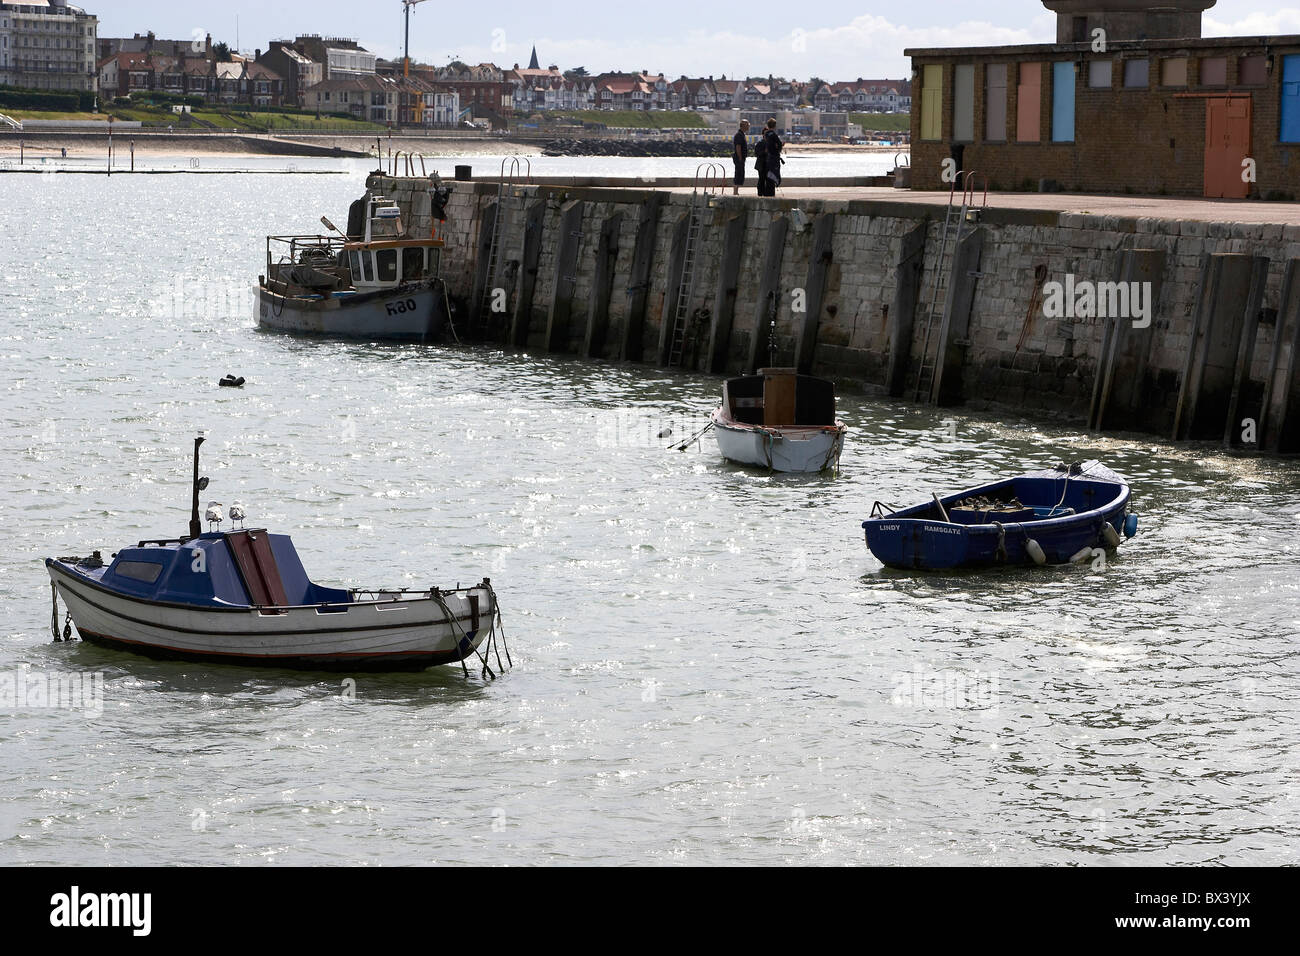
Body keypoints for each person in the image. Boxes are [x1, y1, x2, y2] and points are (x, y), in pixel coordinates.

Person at [758, 118, 783, 197]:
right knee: (773, 177)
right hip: (774, 158)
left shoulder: (766, 134)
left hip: (768, 158)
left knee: (768, 177)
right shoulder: (773, 134)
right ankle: (771, 194)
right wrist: (778, 148)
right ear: (775, 126)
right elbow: (779, 144)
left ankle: (766, 193)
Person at [732, 119, 749, 195]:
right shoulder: (739, 135)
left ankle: (736, 191)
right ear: (743, 126)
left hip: (741, 157)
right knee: (738, 173)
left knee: (740, 173)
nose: (748, 126)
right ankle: (735, 191)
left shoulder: (742, 134)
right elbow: (738, 147)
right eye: (747, 125)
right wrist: (740, 157)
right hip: (739, 157)